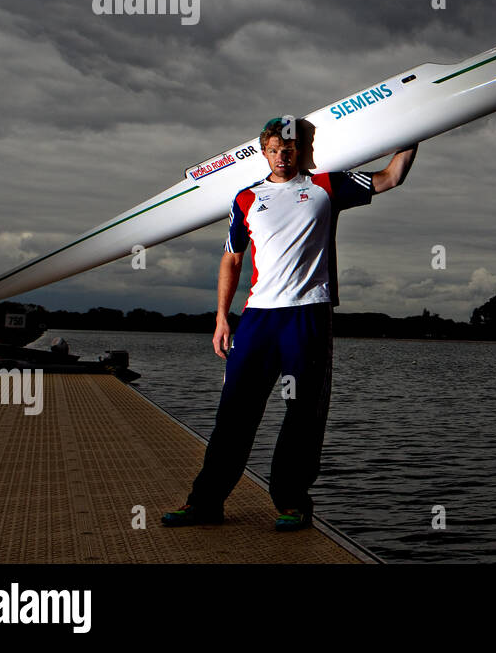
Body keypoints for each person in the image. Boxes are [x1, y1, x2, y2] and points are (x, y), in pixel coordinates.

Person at [162, 117, 417, 531]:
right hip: (257, 319)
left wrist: (415, 126)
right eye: (275, 149)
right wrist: (221, 318)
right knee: (233, 413)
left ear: (301, 151)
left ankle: (292, 503)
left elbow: (391, 177)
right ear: (264, 152)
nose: (283, 155)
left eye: (290, 148)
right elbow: (232, 258)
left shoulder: (326, 187)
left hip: (308, 314)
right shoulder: (246, 198)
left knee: (302, 415)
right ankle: (205, 502)